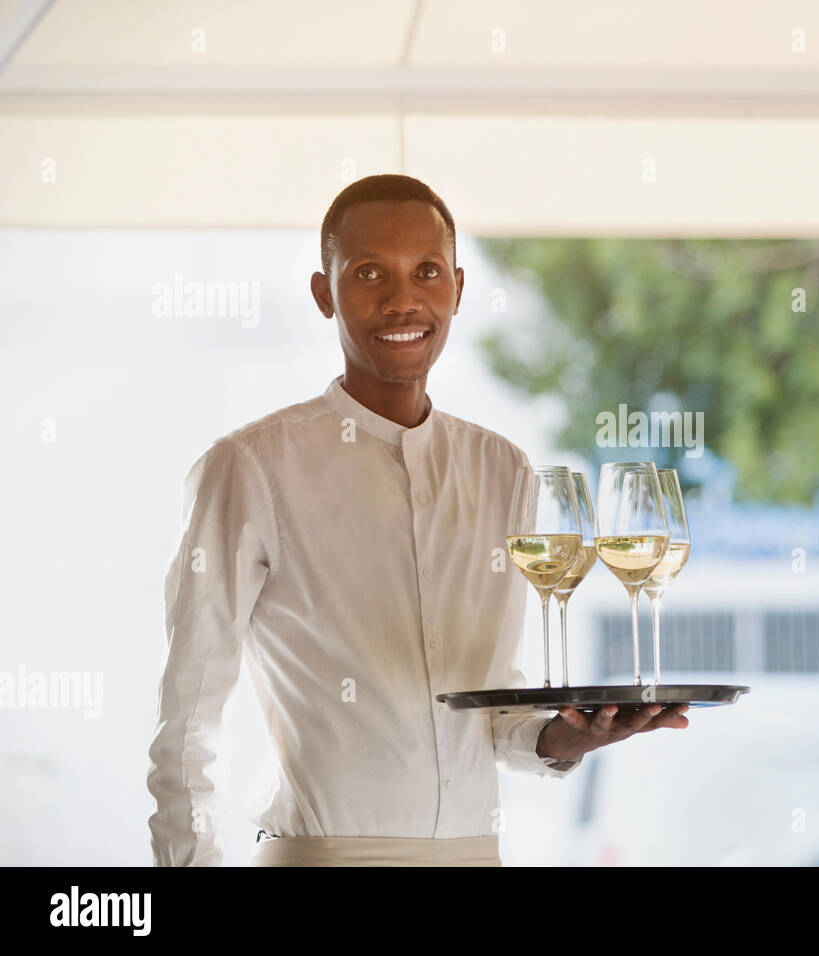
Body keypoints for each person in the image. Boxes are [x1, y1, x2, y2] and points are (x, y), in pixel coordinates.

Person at [145, 173, 688, 867]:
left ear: (457, 288)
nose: (402, 299)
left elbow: (494, 709)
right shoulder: (249, 467)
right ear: (324, 293)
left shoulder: (505, 470)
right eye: (370, 272)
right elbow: (189, 714)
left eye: (426, 271)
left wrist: (565, 740)